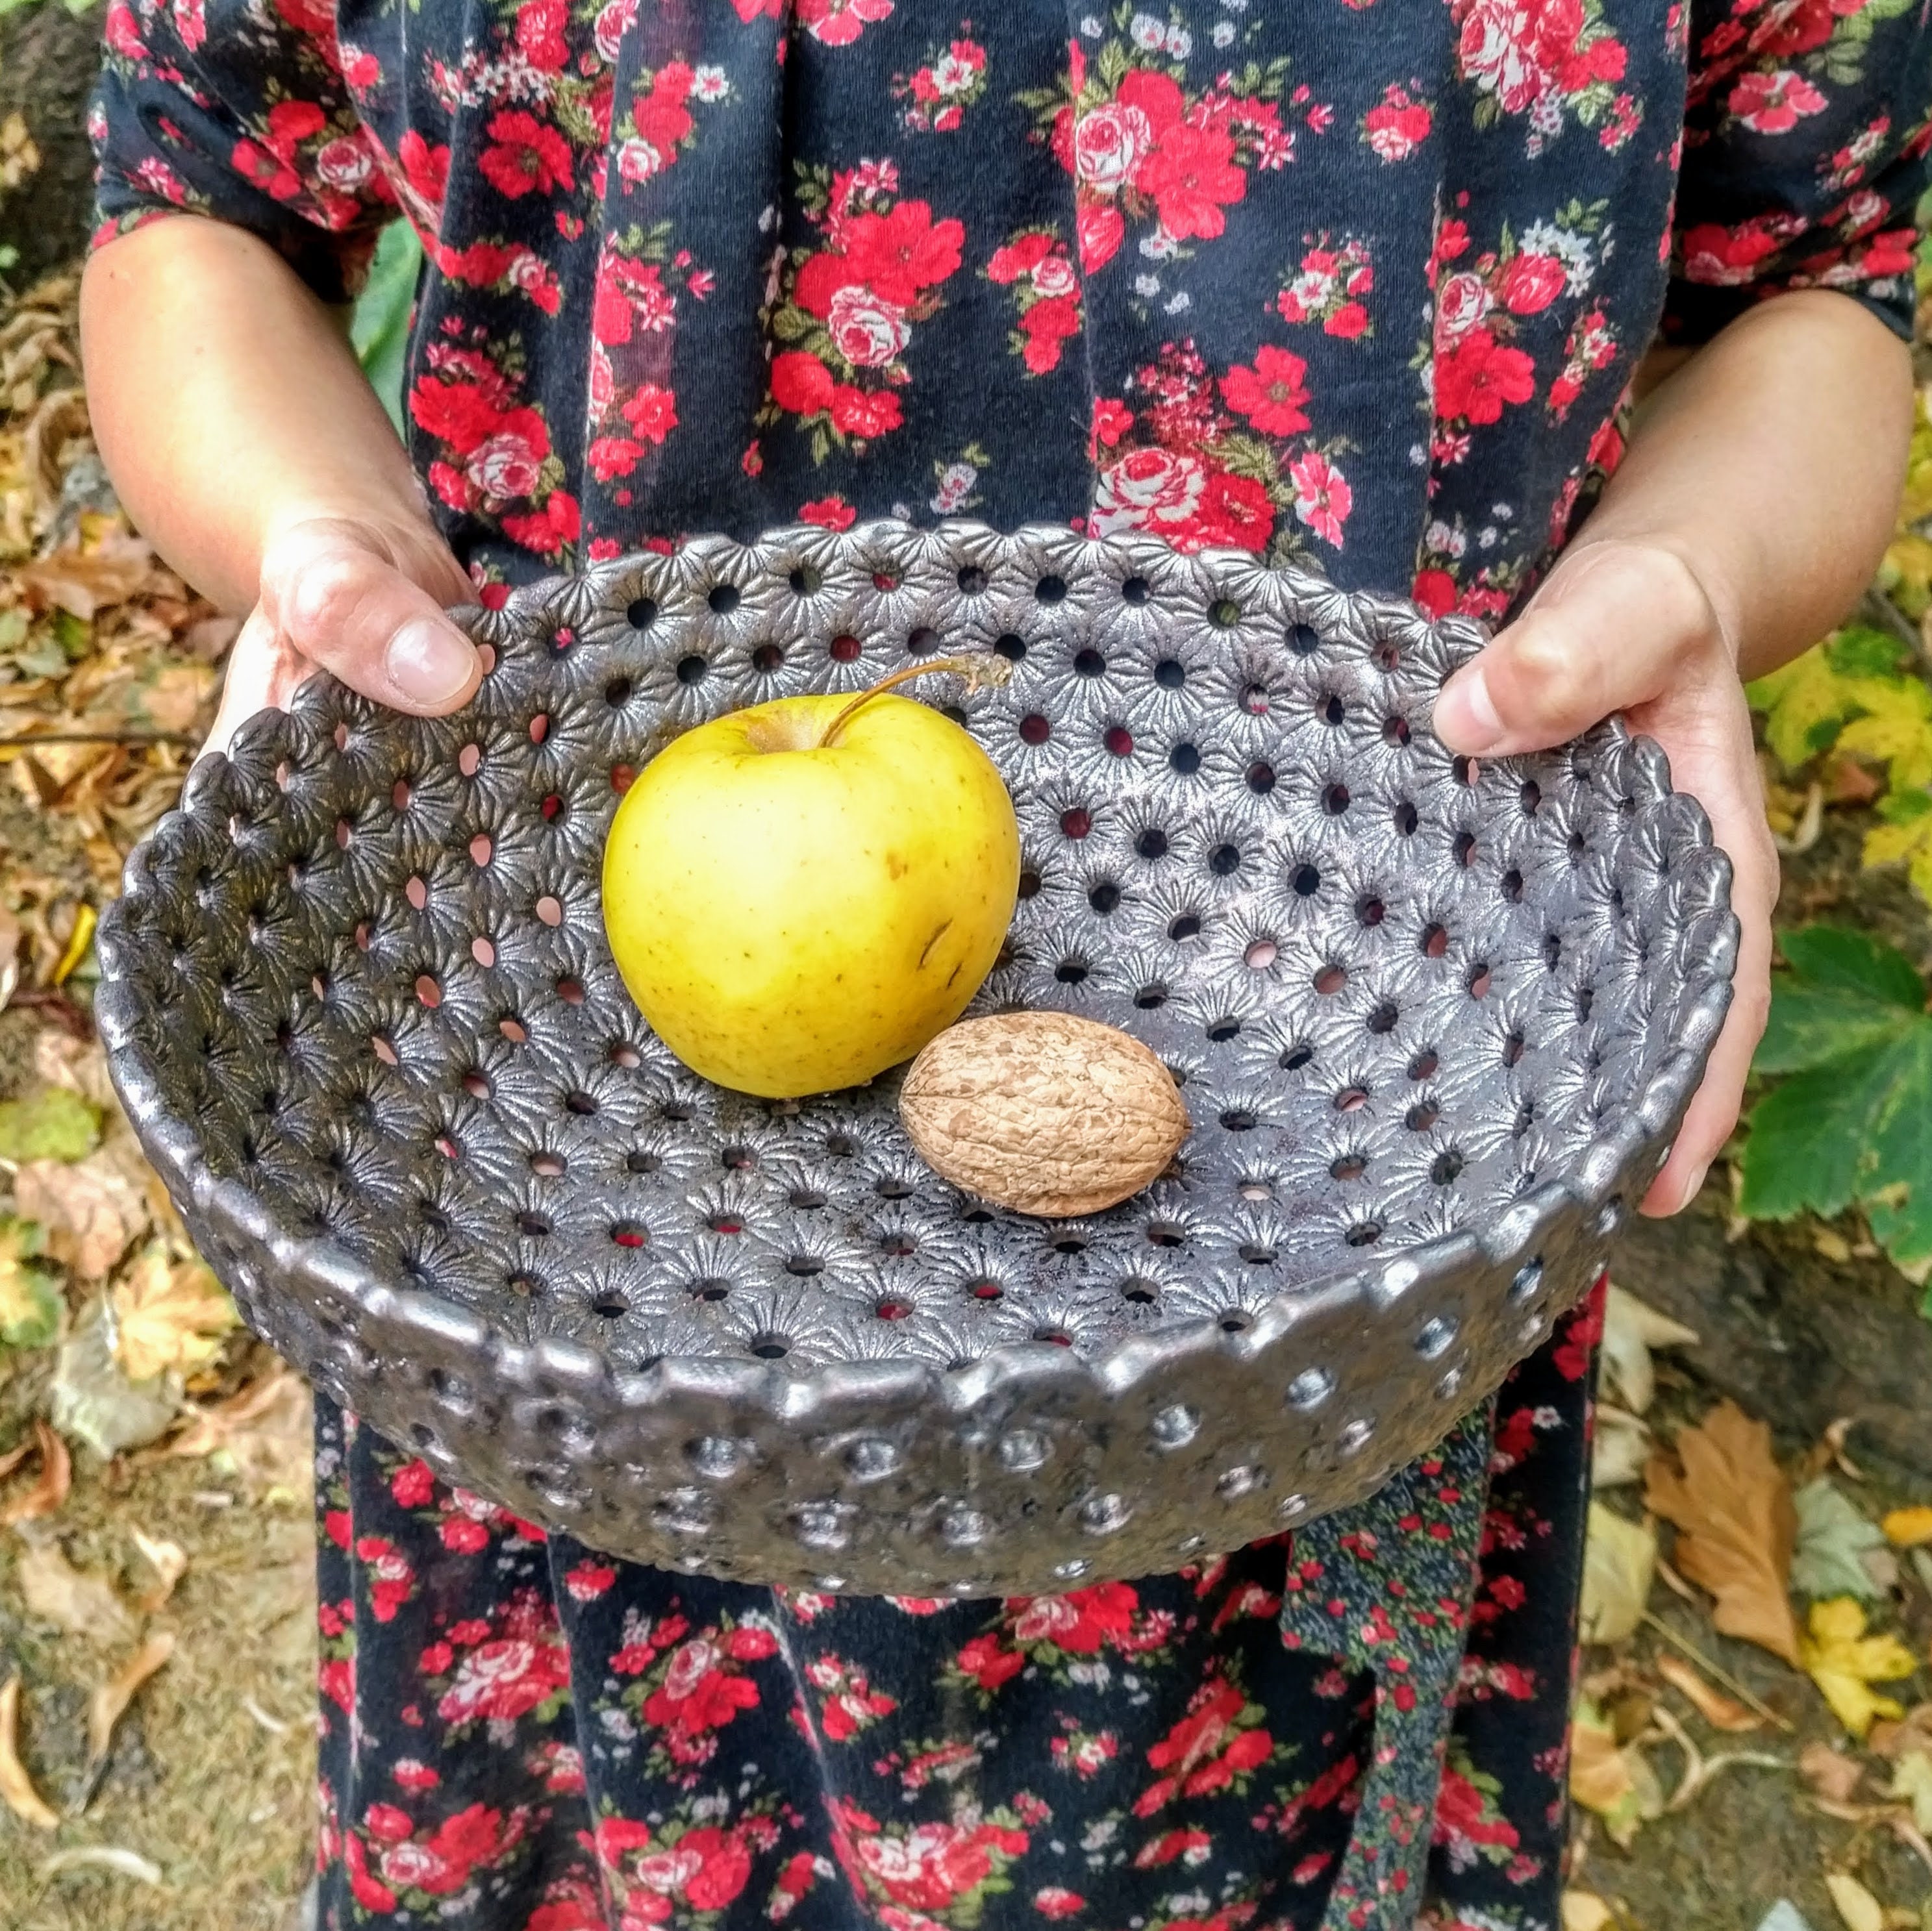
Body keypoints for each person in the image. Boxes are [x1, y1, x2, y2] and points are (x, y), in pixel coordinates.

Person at [80, 3, 1923, 1926]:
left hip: (1353, 1199)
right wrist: (326, 533)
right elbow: (191, 195)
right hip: (571, 1255)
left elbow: (1815, 279)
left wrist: (1701, 571)